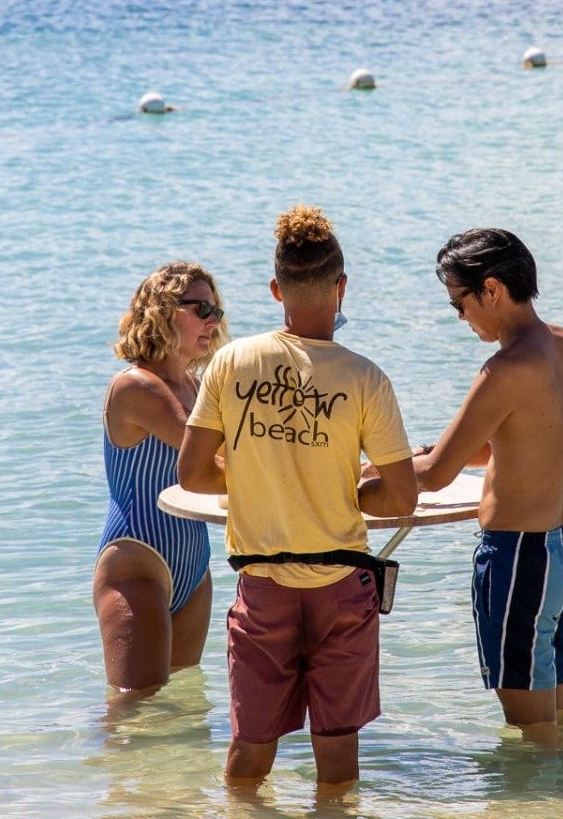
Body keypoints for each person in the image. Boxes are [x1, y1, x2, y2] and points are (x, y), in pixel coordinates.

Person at [179, 205, 417, 795]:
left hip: (262, 585)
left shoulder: (230, 363)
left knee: (249, 754)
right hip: (341, 586)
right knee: (338, 761)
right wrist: (345, 487)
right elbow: (403, 495)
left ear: (275, 289)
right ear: (341, 288)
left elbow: (192, 473)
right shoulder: (366, 378)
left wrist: (261, 479)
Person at [408, 228, 563, 740]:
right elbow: (514, 441)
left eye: (459, 304)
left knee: (532, 743)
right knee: (559, 726)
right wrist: (402, 461)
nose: (461, 318)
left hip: (520, 562)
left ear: (491, 290)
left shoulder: (504, 368)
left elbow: (437, 474)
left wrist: (338, 480)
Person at [94, 262, 229, 697]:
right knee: (134, 711)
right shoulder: (136, 386)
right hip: (138, 562)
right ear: (163, 312)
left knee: (184, 706)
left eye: (217, 311)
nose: (214, 320)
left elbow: (240, 460)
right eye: (202, 308)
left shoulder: (198, 386)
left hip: (193, 566)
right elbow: (212, 462)